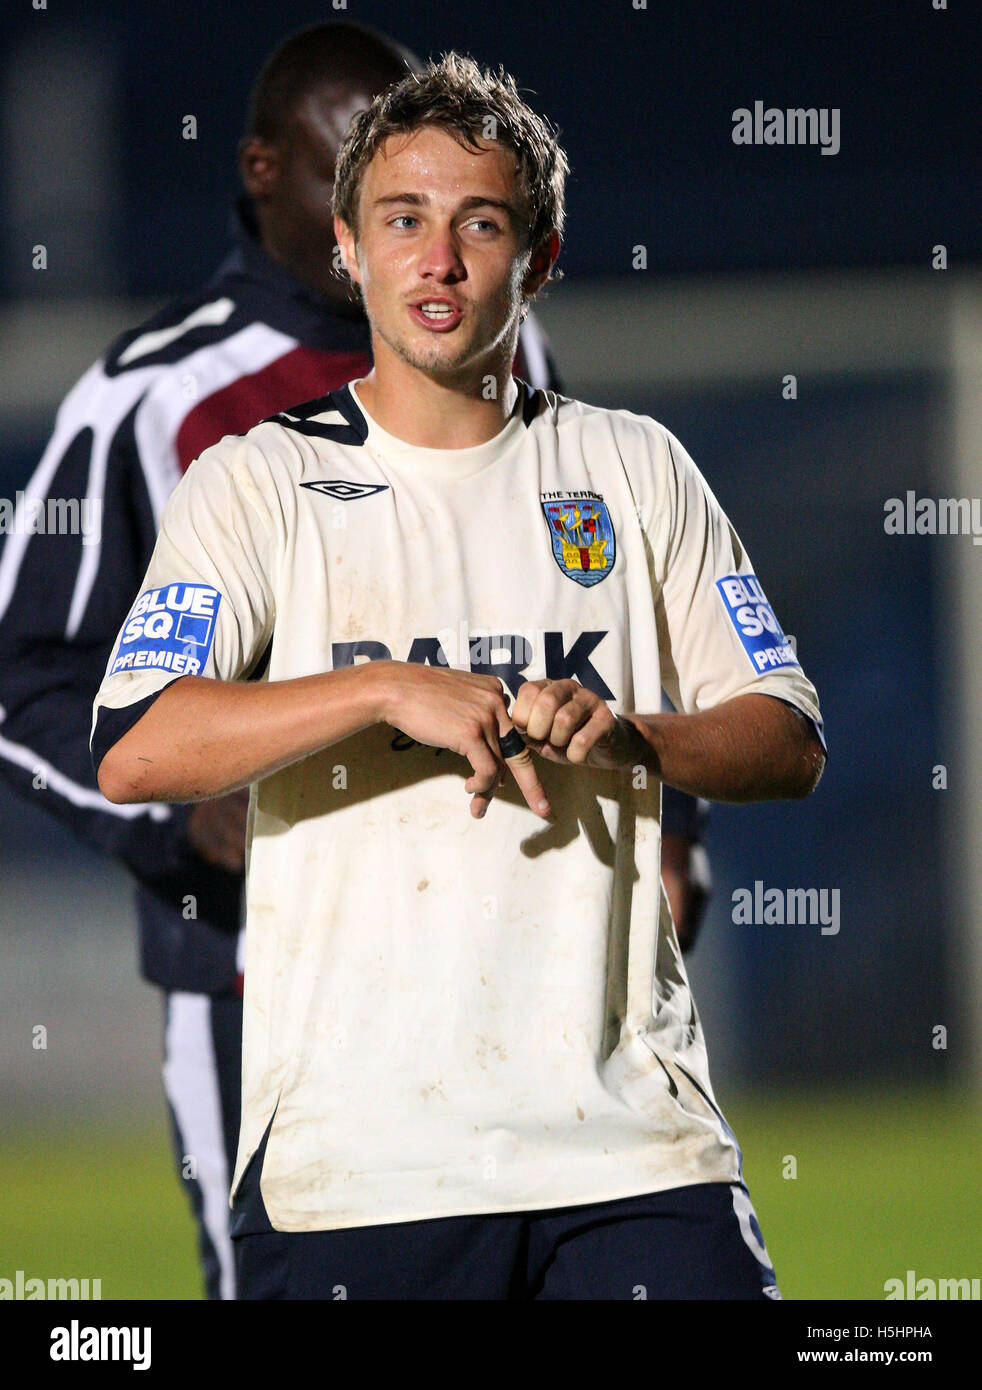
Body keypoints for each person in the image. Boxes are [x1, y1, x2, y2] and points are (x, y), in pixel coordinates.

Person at [92, 51, 823, 1301]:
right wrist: (380, 687)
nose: (437, 259)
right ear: (347, 247)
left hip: (630, 1144)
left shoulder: (633, 467)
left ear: (535, 262)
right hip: (359, 1164)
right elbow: (136, 746)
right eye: (402, 220)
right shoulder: (254, 480)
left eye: (478, 224)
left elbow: (787, 736)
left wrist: (633, 739)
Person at [0, 22, 576, 1302]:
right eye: (349, 173)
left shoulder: (507, 352)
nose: (388, 223)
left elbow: (604, 612)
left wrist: (675, 835)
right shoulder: (153, 395)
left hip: (506, 953)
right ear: (262, 168)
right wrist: (183, 822)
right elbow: (21, 676)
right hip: (266, 977)